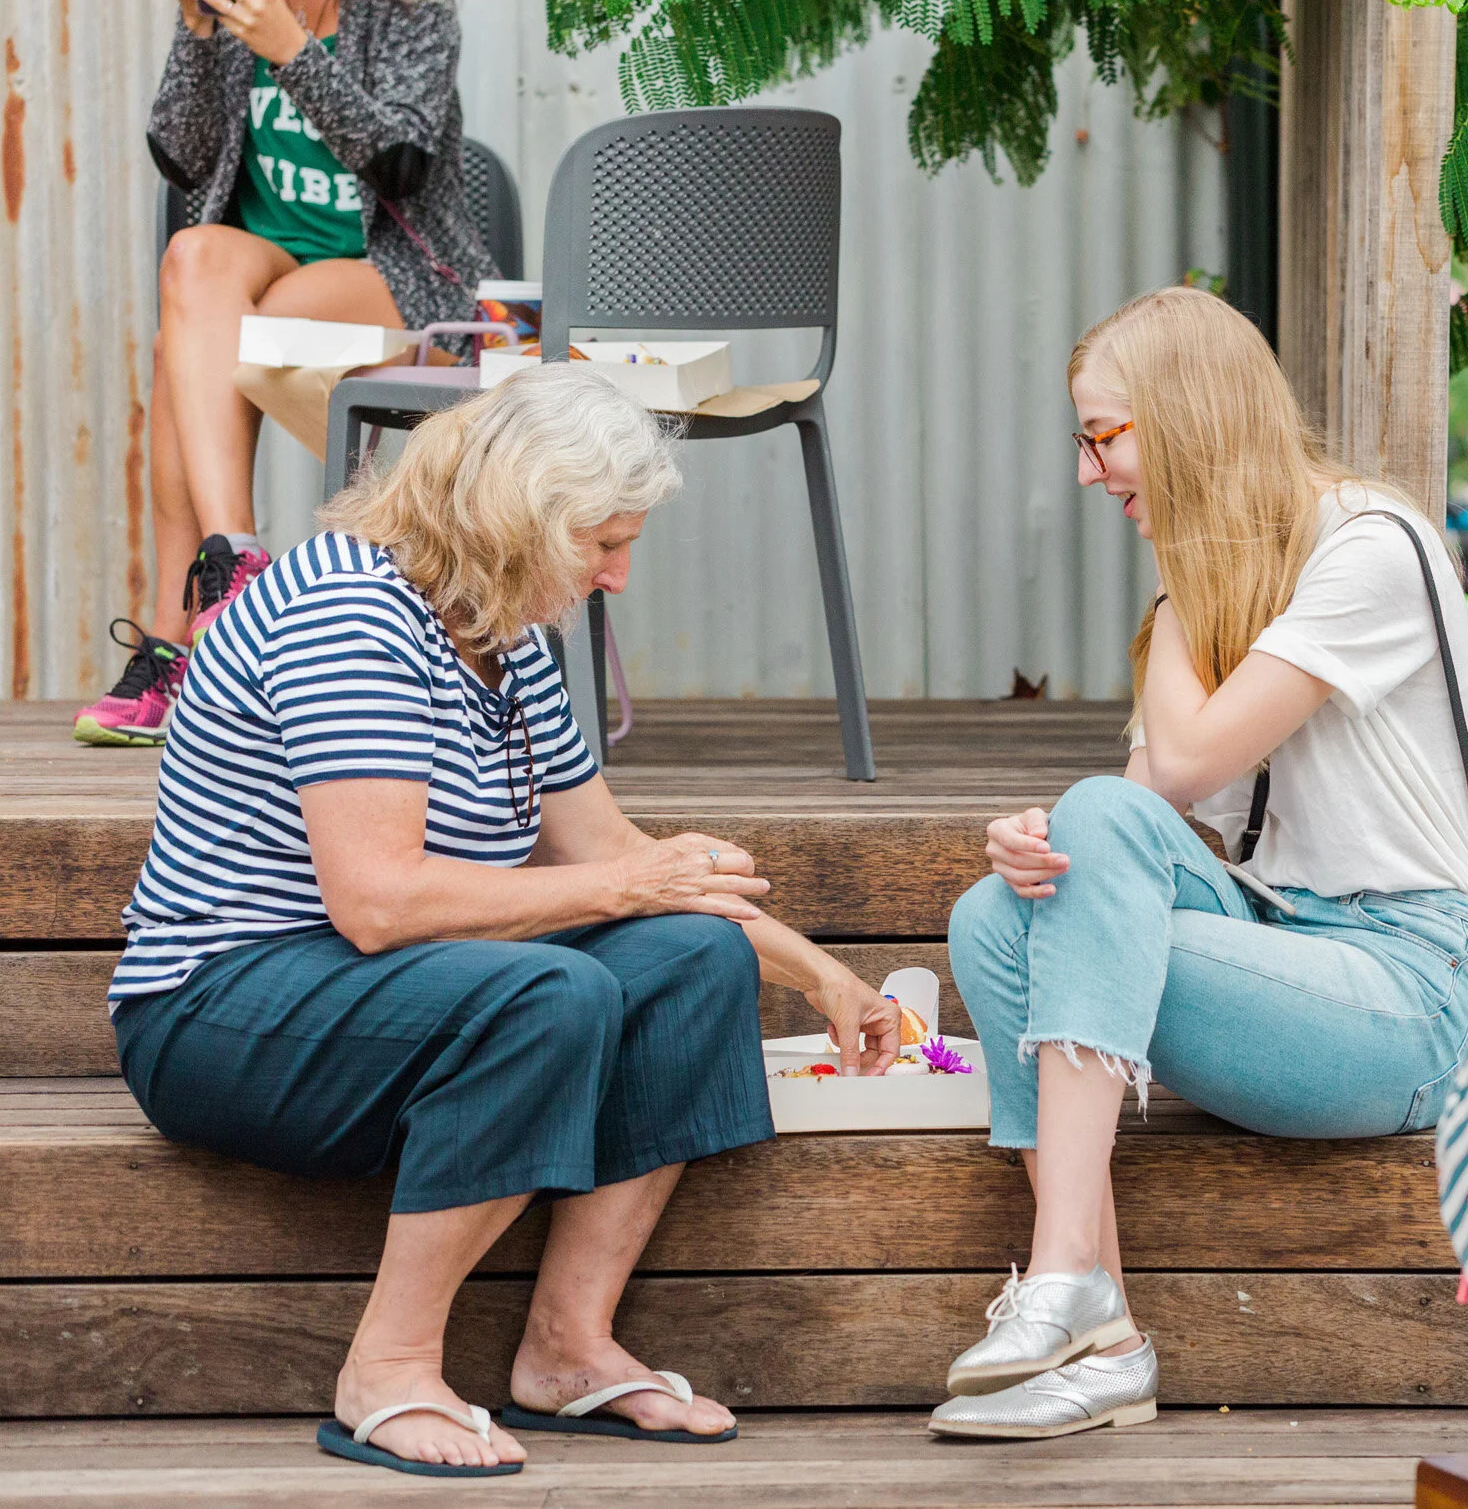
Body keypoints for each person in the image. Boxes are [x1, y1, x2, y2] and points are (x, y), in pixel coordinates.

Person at [110, 367, 903, 1478]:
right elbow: (380, 900)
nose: (618, 574)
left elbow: (622, 859)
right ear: (514, 517)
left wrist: (822, 977)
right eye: (602, 543)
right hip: (222, 1006)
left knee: (693, 956)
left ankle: (567, 1347)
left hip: (382, 990)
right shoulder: (351, 611)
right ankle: (384, 1370)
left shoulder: (501, 632)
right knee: (558, 988)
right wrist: (621, 892)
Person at [934, 287, 1468, 1440]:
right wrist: (1045, 852)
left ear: (1187, 421)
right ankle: (1103, 1345)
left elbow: (1181, 762)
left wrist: (1184, 574)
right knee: (998, 914)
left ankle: (1059, 1275)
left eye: (1103, 433)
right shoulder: (1217, 582)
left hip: (1403, 993)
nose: (1091, 472)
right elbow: (1139, 822)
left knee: (1075, 843)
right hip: (1279, 945)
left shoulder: (1370, 546)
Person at [76, 0, 491, 747]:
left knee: (201, 347)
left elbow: (402, 160)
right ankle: (235, 563)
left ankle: (175, 645)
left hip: (396, 273)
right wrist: (195, 25)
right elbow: (181, 159)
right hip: (263, 264)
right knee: (190, 258)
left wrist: (288, 48)